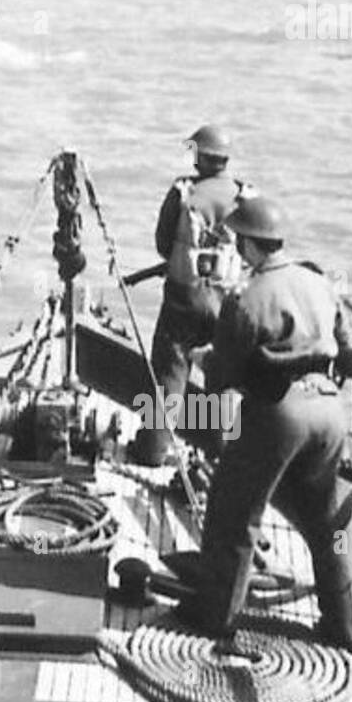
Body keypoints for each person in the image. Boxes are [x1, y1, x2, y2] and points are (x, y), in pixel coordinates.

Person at [191, 195, 352, 648]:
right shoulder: (319, 282)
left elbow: (224, 374)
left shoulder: (246, 297)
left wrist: (203, 360)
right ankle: (344, 628)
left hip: (279, 413)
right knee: (328, 520)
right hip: (330, 412)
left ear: (248, 244)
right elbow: (346, 348)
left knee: (234, 512)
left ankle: (216, 618)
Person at [134, 124, 249, 463]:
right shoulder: (246, 196)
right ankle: (223, 457)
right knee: (223, 378)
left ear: (201, 156)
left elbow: (163, 245)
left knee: (169, 373)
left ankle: (154, 449)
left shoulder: (182, 192)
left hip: (183, 300)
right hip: (228, 303)